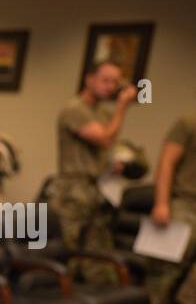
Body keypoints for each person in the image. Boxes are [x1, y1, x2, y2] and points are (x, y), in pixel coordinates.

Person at [50, 60, 137, 286]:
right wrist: (122, 106)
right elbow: (105, 137)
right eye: (106, 80)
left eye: (115, 82)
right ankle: (55, 296)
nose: (111, 86)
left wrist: (116, 163)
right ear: (89, 79)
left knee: (98, 252)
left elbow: (107, 145)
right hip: (73, 189)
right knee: (65, 248)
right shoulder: (74, 109)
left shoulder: (103, 112)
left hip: (99, 188)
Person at [146, 111, 196, 304]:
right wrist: (162, 203)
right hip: (184, 202)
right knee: (165, 267)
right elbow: (167, 162)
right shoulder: (188, 122)